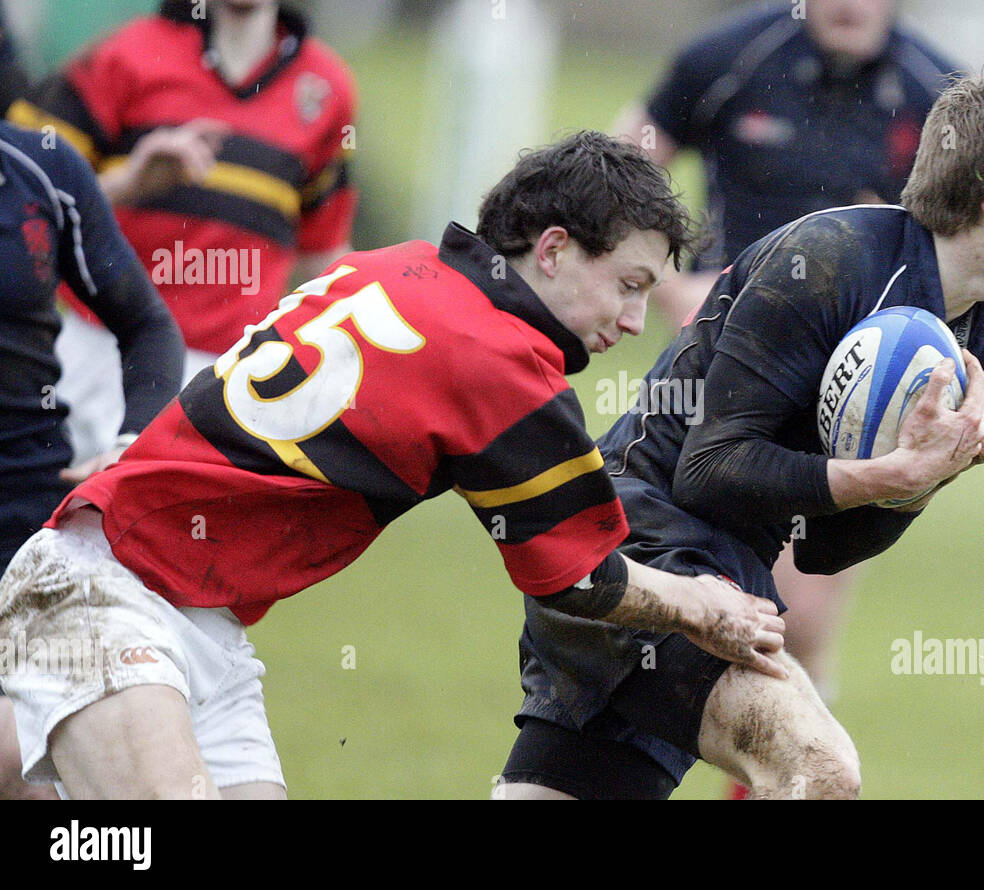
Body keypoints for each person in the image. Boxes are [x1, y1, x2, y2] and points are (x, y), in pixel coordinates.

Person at [0, 130, 785, 800]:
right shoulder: (502, 362)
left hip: (194, 611)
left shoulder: (404, 265)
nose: (635, 319)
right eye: (629, 285)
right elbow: (584, 578)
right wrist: (702, 605)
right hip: (104, 591)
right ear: (552, 250)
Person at [496, 69, 984, 799]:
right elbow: (709, 469)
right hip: (642, 550)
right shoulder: (828, 261)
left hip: (730, 580)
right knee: (819, 772)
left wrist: (929, 475)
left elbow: (824, 550)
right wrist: (893, 476)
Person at [614, 0, 961, 753]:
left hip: (853, 388)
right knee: (675, 598)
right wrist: (671, 285)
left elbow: (959, 243)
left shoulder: (940, 94)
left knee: (795, 623)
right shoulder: (727, 59)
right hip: (719, 366)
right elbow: (615, 181)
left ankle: (786, 769)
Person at [8, 0, 358, 464]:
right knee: (54, 530)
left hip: (237, 377)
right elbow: (18, 198)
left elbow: (323, 254)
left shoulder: (328, 89)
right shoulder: (122, 56)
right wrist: (130, 183)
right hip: (104, 355)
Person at [0, 120, 184, 799]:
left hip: (25, 529)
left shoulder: (40, 169)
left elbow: (147, 325)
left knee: (30, 766)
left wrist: (131, 439)